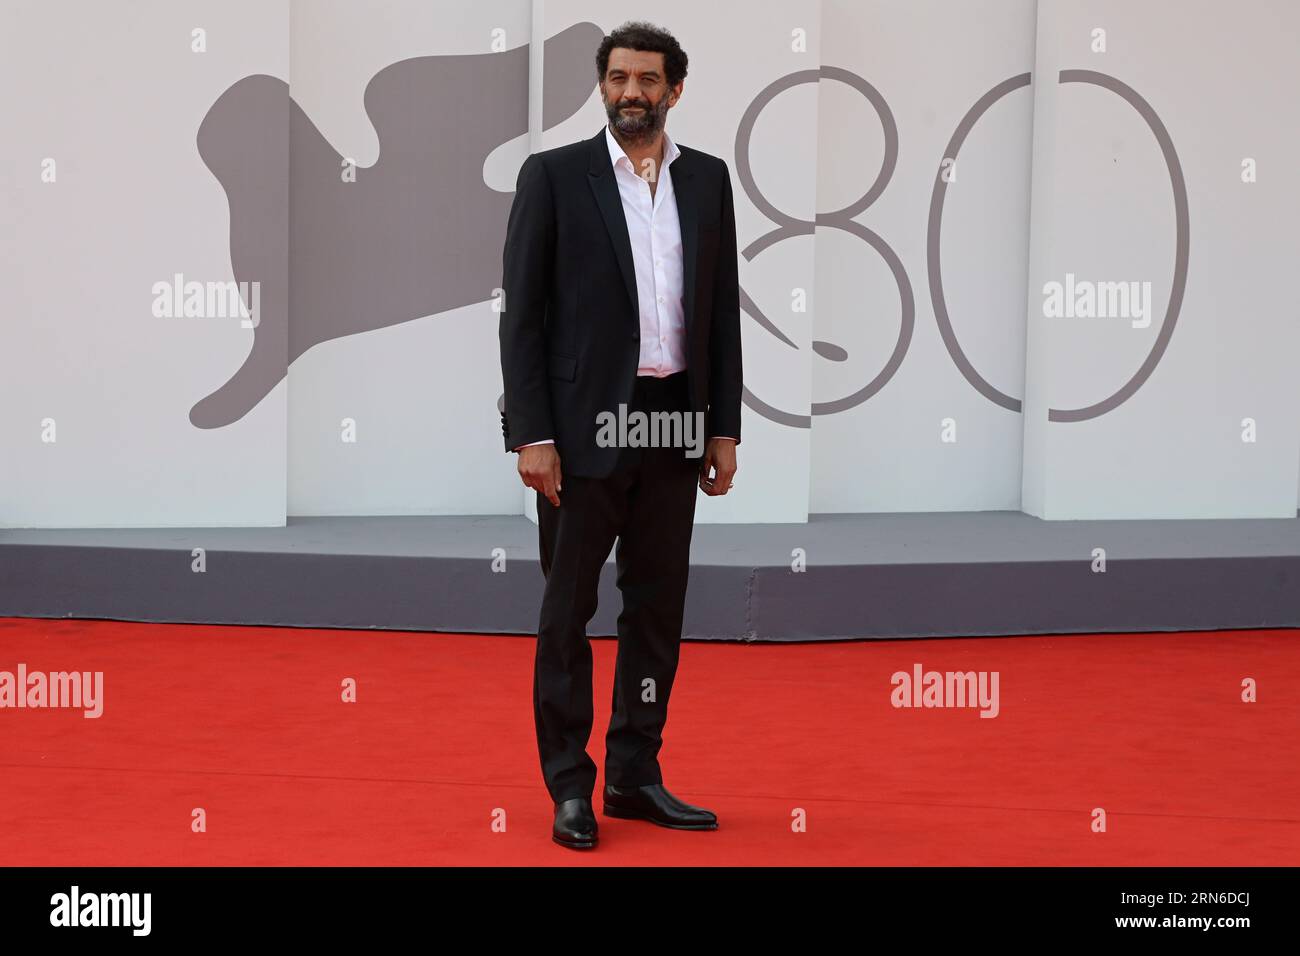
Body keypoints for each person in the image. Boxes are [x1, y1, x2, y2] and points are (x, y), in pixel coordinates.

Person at [498, 20, 742, 850]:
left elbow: (718, 316)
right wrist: (531, 432)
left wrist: (724, 430)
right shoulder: (555, 177)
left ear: (675, 89)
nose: (630, 92)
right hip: (579, 428)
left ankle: (636, 775)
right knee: (568, 612)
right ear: (602, 86)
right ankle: (571, 786)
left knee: (655, 613)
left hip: (674, 420)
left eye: (646, 79)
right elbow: (522, 318)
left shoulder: (706, 182)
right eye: (616, 78)